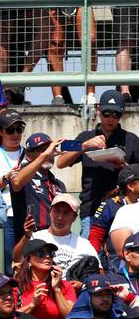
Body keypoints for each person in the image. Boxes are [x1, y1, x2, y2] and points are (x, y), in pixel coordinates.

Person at [58, 90, 139, 229]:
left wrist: (124, 166)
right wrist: (84, 146)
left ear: (122, 114)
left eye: (116, 114)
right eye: (106, 113)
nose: (111, 119)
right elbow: (60, 162)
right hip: (91, 210)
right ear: (98, 109)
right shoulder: (84, 136)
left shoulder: (132, 139)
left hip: (123, 209)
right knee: (90, 251)